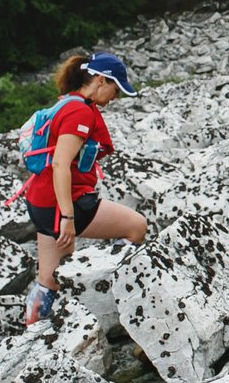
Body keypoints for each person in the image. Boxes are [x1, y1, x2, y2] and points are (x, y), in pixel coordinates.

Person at [23, 52, 149, 333]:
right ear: (102, 80)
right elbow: (60, 163)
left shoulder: (66, 103)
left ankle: (30, 336)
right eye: (116, 89)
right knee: (136, 227)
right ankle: (119, 297)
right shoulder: (80, 111)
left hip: (40, 201)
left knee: (50, 278)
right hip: (64, 204)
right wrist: (68, 216)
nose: (115, 97)